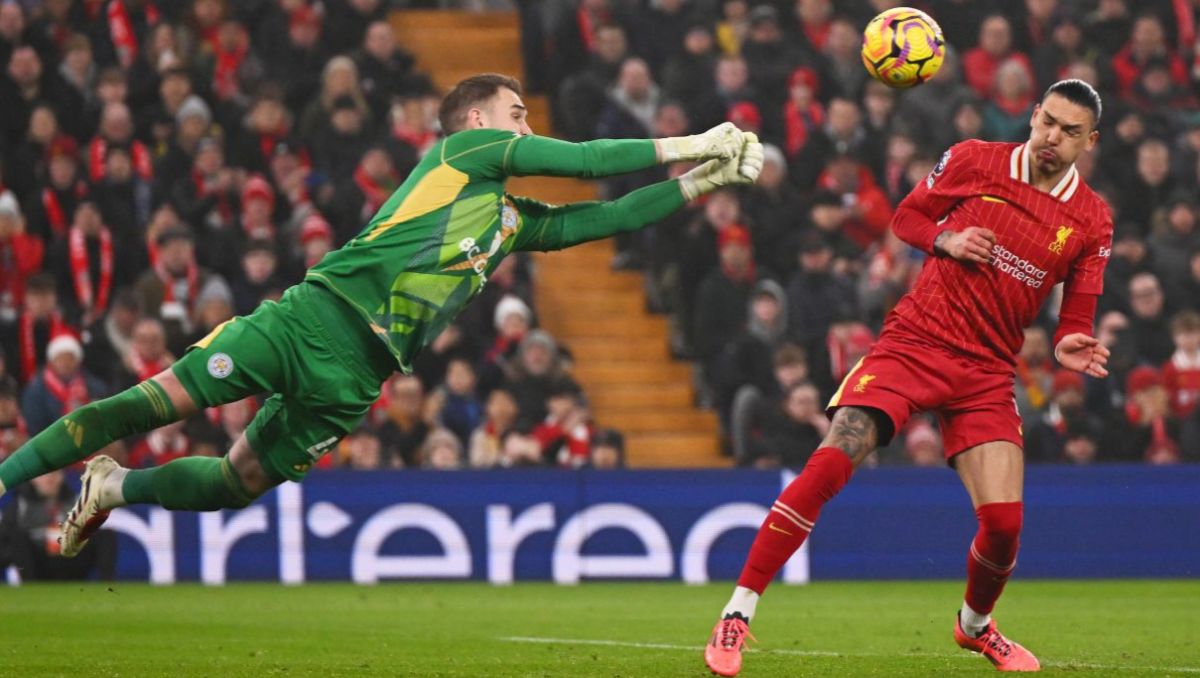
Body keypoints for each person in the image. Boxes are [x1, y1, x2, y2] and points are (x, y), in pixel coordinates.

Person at [0, 73, 764, 558]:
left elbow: (603, 219)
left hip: (360, 377)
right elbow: (590, 162)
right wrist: (690, 139)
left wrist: (701, 181)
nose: (526, 128)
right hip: (308, 320)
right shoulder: (463, 156)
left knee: (236, 483)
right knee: (146, 405)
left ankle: (112, 490)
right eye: (517, 113)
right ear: (474, 119)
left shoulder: (504, 221)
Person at [705, 79, 1112, 676]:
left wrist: (1068, 341)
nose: (1052, 137)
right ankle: (737, 614)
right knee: (831, 461)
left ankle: (975, 627)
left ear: (1090, 141)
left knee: (1003, 525)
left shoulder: (1093, 219)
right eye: (1047, 121)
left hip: (988, 369)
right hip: (916, 342)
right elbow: (907, 216)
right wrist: (946, 238)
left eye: (1070, 131)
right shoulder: (976, 159)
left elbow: (1076, 315)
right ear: (1032, 114)